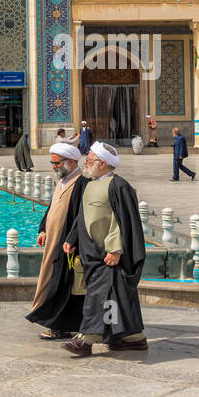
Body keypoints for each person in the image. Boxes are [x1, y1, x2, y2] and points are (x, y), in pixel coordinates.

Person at [61, 141, 147, 357]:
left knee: (98, 296)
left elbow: (123, 221)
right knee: (116, 297)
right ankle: (132, 338)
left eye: (90, 160)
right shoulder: (89, 184)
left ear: (103, 164)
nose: (86, 163)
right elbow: (83, 216)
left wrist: (116, 249)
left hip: (109, 253)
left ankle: (86, 339)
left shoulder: (118, 186)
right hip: (93, 252)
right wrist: (72, 239)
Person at [26, 143, 86, 340]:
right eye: (52, 162)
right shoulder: (62, 180)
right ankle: (54, 321)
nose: (53, 166)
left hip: (66, 244)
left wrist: (72, 239)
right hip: (54, 240)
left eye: (56, 163)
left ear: (69, 162)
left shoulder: (80, 183)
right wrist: (43, 228)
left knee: (61, 283)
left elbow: (80, 216)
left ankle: (57, 324)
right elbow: (52, 207)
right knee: (52, 280)